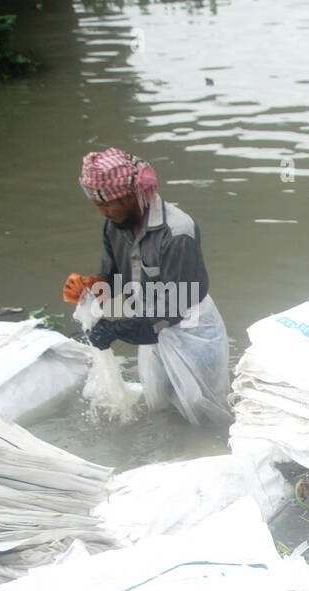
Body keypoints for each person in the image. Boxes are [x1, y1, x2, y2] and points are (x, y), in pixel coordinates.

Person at [64, 148, 232, 427]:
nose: (101, 212)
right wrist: (89, 288)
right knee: (162, 408)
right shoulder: (114, 226)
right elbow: (116, 281)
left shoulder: (177, 233)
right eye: (97, 205)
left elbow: (173, 310)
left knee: (204, 412)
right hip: (149, 325)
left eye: (107, 204)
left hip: (191, 333)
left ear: (130, 197)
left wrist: (117, 330)